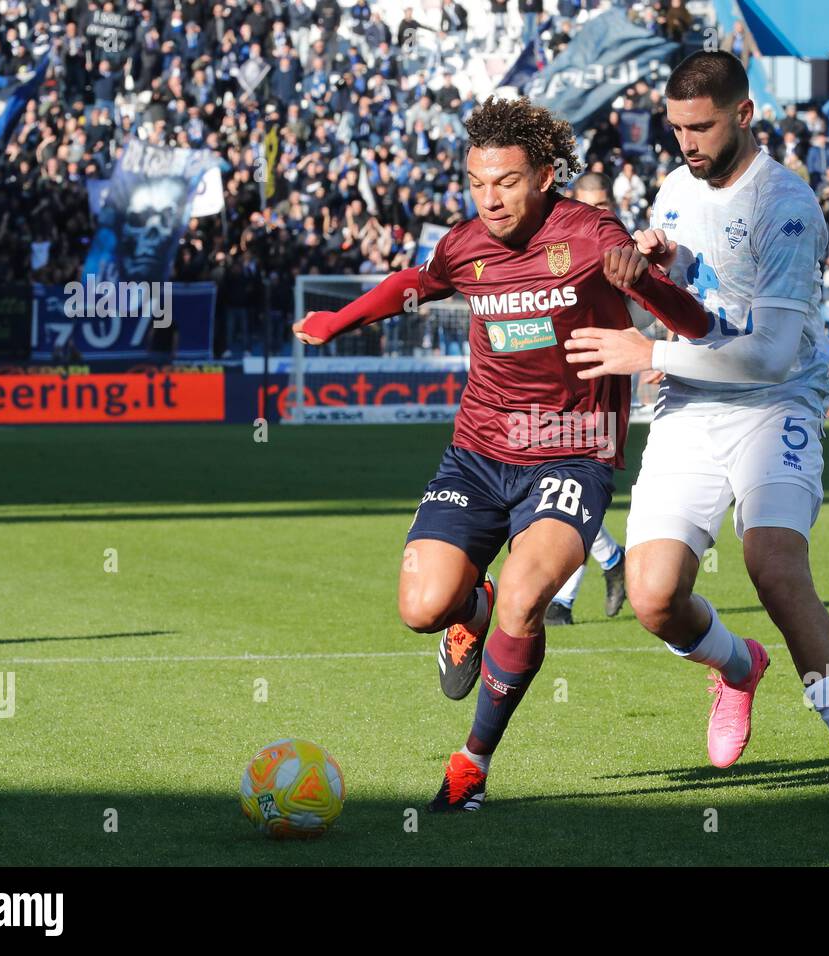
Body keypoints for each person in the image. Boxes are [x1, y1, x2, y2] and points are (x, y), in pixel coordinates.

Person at [293, 97, 711, 812]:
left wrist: (642, 283)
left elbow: (694, 321)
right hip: (479, 452)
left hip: (572, 454)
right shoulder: (464, 245)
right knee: (423, 609)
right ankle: (470, 606)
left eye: (507, 183)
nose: (490, 199)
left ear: (546, 175)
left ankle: (472, 763)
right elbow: (412, 286)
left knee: (526, 600)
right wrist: (337, 320)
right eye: (478, 183)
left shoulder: (590, 234)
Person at [565, 51, 829, 817]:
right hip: (692, 401)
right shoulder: (678, 187)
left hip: (775, 401)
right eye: (676, 127)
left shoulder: (787, 205)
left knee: (774, 566)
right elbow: (691, 282)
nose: (685, 142)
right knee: (653, 599)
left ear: (743, 115)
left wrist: (647, 352)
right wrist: (656, 263)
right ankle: (737, 666)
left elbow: (769, 353)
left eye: (701, 126)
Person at [545, 172, 632, 625]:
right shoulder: (555, 243)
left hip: (601, 384)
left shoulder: (620, 247)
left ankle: (561, 600)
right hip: (553, 382)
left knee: (570, 487)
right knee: (550, 487)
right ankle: (614, 561)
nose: (599, 212)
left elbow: (651, 301)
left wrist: (660, 344)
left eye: (605, 203)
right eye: (590, 203)